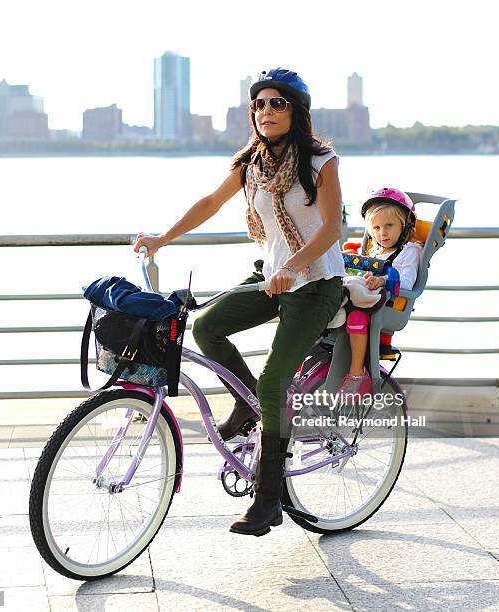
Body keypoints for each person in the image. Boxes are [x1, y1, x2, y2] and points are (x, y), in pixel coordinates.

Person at [134, 68, 345, 537]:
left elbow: (332, 229)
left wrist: (295, 266)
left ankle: (268, 501)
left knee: (274, 380)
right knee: (207, 327)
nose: (267, 111)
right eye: (260, 104)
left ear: (297, 111)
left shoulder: (320, 160)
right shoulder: (252, 162)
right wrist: (163, 238)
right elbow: (211, 202)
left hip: (316, 283)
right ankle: (248, 405)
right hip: (271, 277)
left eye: (278, 103)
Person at [337, 187, 422, 399]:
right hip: (365, 300)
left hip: (389, 305)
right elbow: (363, 274)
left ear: (405, 226)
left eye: (389, 226)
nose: (382, 233)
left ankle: (357, 373)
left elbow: (408, 282)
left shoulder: (408, 251)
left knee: (356, 316)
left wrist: (382, 280)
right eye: (376, 228)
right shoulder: (375, 250)